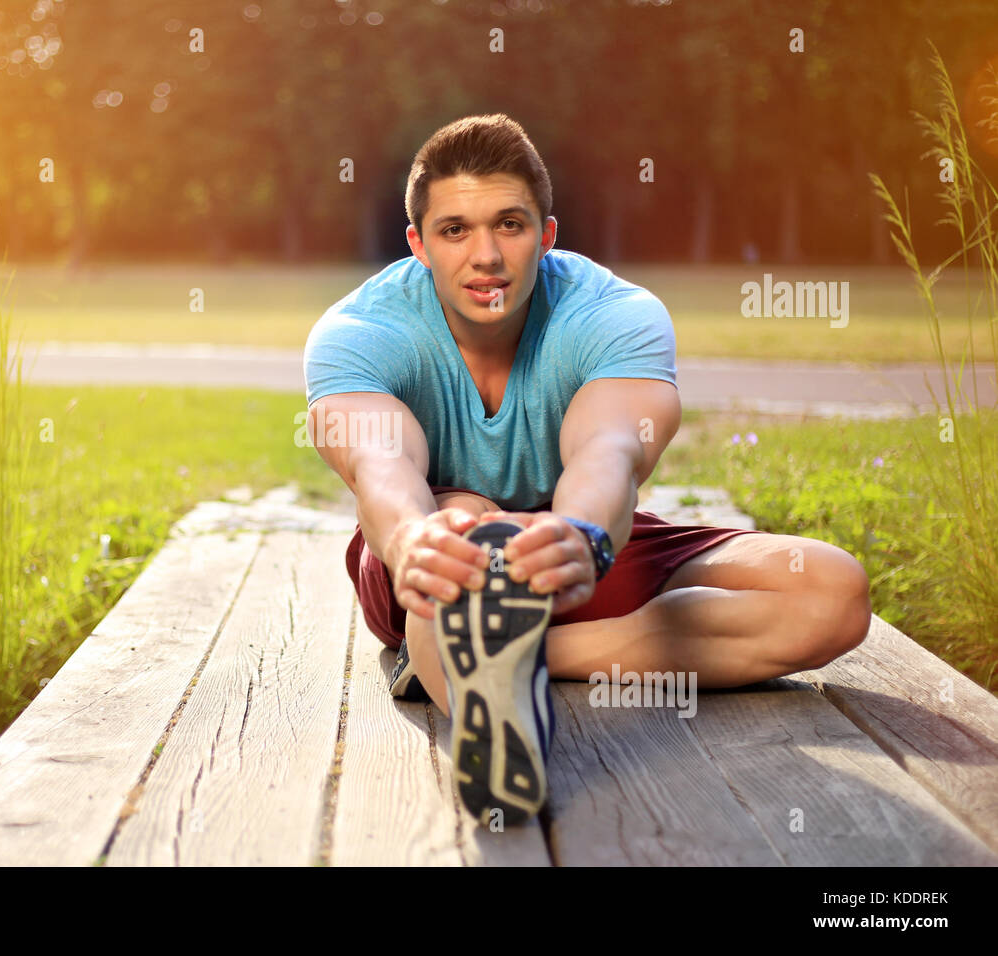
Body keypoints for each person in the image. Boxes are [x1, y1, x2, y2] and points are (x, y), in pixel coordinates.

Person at [301, 113, 872, 828]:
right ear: (417, 244)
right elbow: (381, 462)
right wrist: (414, 540)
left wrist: (582, 536)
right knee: (473, 518)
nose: (485, 255)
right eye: (455, 230)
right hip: (433, 561)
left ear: (546, 234)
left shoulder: (614, 315)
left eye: (509, 225)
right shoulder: (358, 332)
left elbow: (609, 451)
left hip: (572, 549)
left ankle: (500, 656)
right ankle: (468, 646)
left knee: (830, 591)